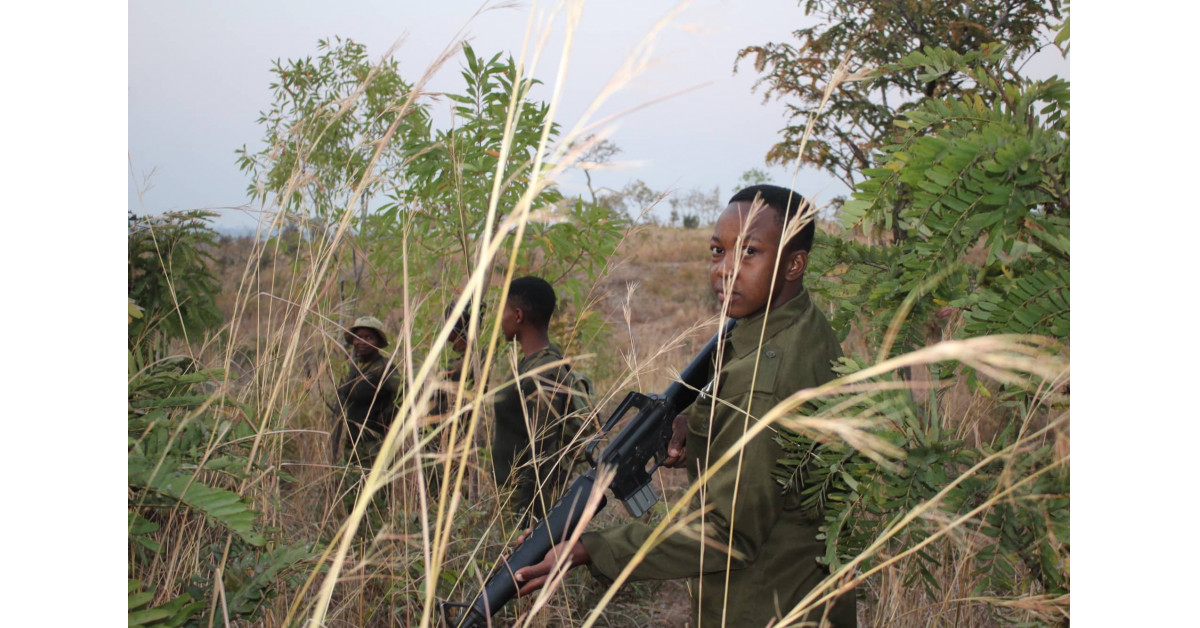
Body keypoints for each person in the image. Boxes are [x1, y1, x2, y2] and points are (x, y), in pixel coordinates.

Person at [511, 185, 857, 627]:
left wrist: (590, 548)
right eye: (718, 251)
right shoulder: (793, 325)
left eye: (750, 252)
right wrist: (697, 425)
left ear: (794, 264)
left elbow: (729, 536)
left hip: (764, 606)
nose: (725, 270)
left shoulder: (765, 377)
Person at [491, 276, 588, 529]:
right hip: (514, 500)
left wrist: (528, 519)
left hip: (525, 508)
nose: (500, 319)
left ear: (519, 315)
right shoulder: (533, 365)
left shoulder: (542, 373)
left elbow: (542, 453)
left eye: (503, 311)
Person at [331, 315, 403, 464]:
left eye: (369, 337)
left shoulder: (385, 368)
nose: (361, 342)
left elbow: (404, 397)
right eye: (358, 337)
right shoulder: (352, 366)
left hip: (375, 446)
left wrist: (386, 418)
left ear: (378, 341)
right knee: (352, 485)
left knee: (375, 486)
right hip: (352, 443)